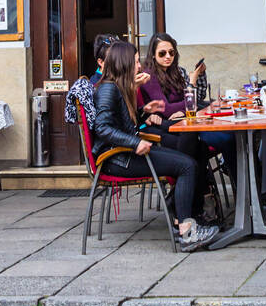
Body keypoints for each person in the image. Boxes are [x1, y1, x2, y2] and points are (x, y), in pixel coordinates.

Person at [92, 40, 218, 252]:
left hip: (126, 153)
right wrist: (136, 141)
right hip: (118, 159)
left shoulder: (118, 87)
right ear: (123, 63)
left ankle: (184, 213)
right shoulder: (108, 90)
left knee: (190, 157)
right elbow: (102, 128)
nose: (139, 66)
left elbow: (121, 123)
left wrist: (144, 112)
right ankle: (187, 231)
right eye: (135, 62)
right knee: (187, 165)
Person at [140, 33, 236, 208]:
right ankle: (192, 200)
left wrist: (200, 76)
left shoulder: (177, 72)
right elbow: (166, 109)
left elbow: (196, 99)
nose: (168, 56)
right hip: (168, 131)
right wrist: (188, 93)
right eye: (162, 53)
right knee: (216, 143)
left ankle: (238, 192)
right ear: (153, 55)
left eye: (171, 52)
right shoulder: (149, 76)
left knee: (231, 137)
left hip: (185, 125)